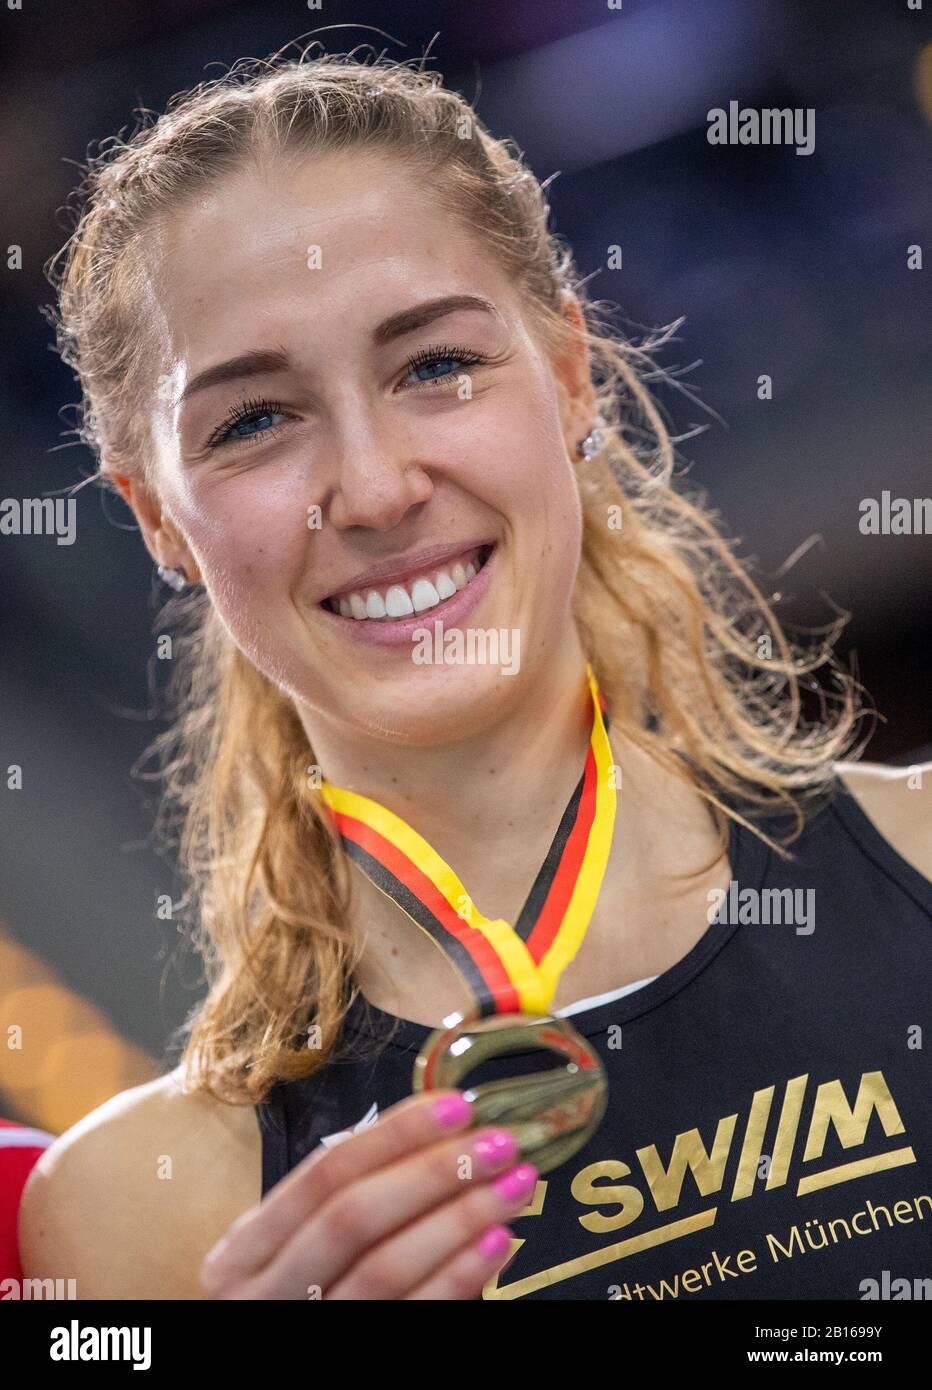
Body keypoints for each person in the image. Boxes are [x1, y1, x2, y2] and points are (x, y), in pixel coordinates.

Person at [18, 50, 932, 1301]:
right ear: (159, 524)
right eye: (252, 422)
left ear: (568, 375)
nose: (379, 485)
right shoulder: (142, 1210)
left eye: (434, 364)